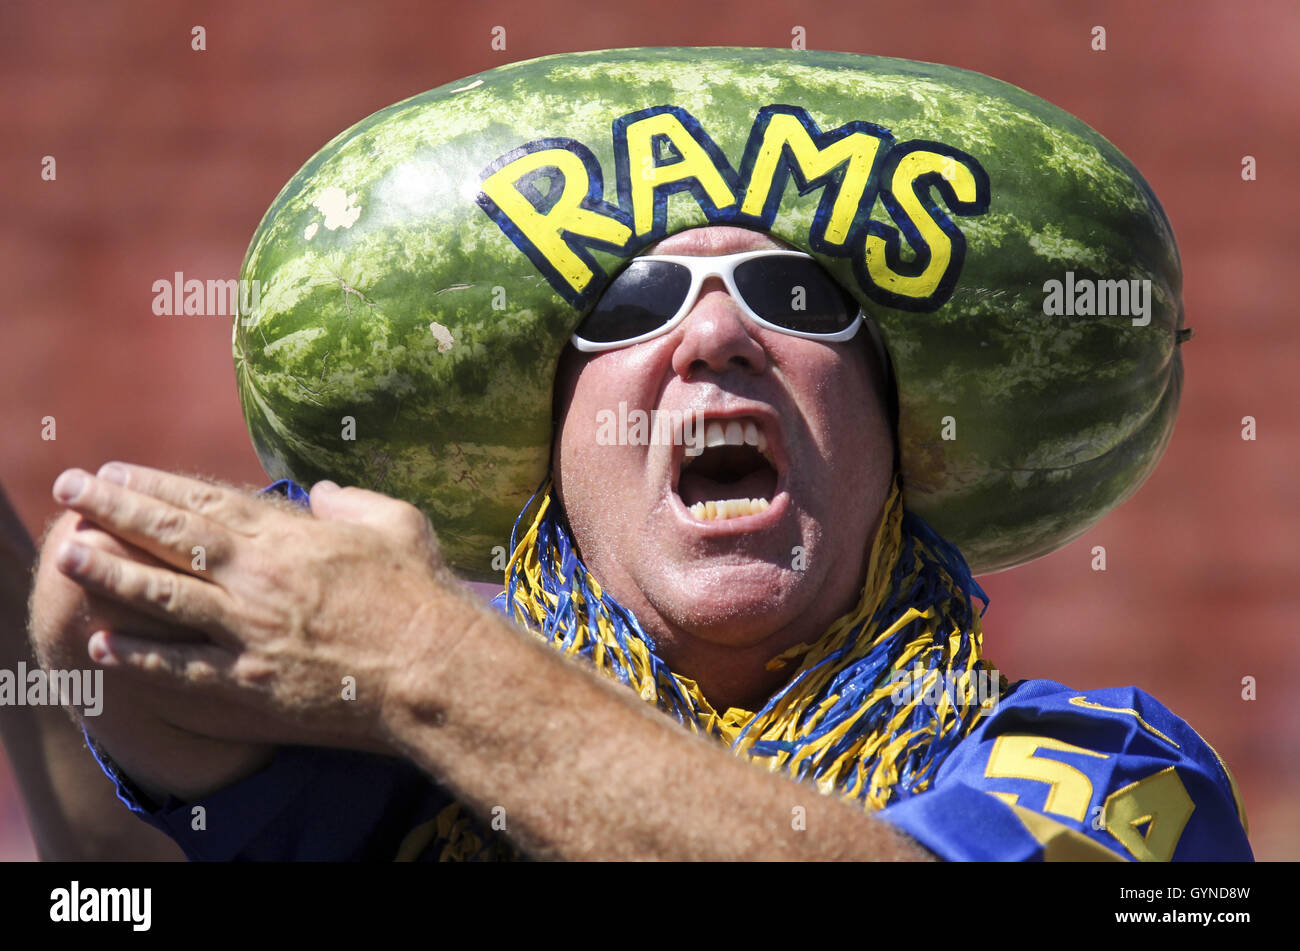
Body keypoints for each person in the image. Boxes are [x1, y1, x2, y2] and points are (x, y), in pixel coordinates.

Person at [25, 225, 1251, 861]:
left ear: (895, 445)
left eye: (798, 299)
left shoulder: (1122, 775)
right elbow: (110, 640)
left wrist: (430, 662)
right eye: (630, 308)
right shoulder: (396, 774)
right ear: (555, 457)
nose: (714, 333)